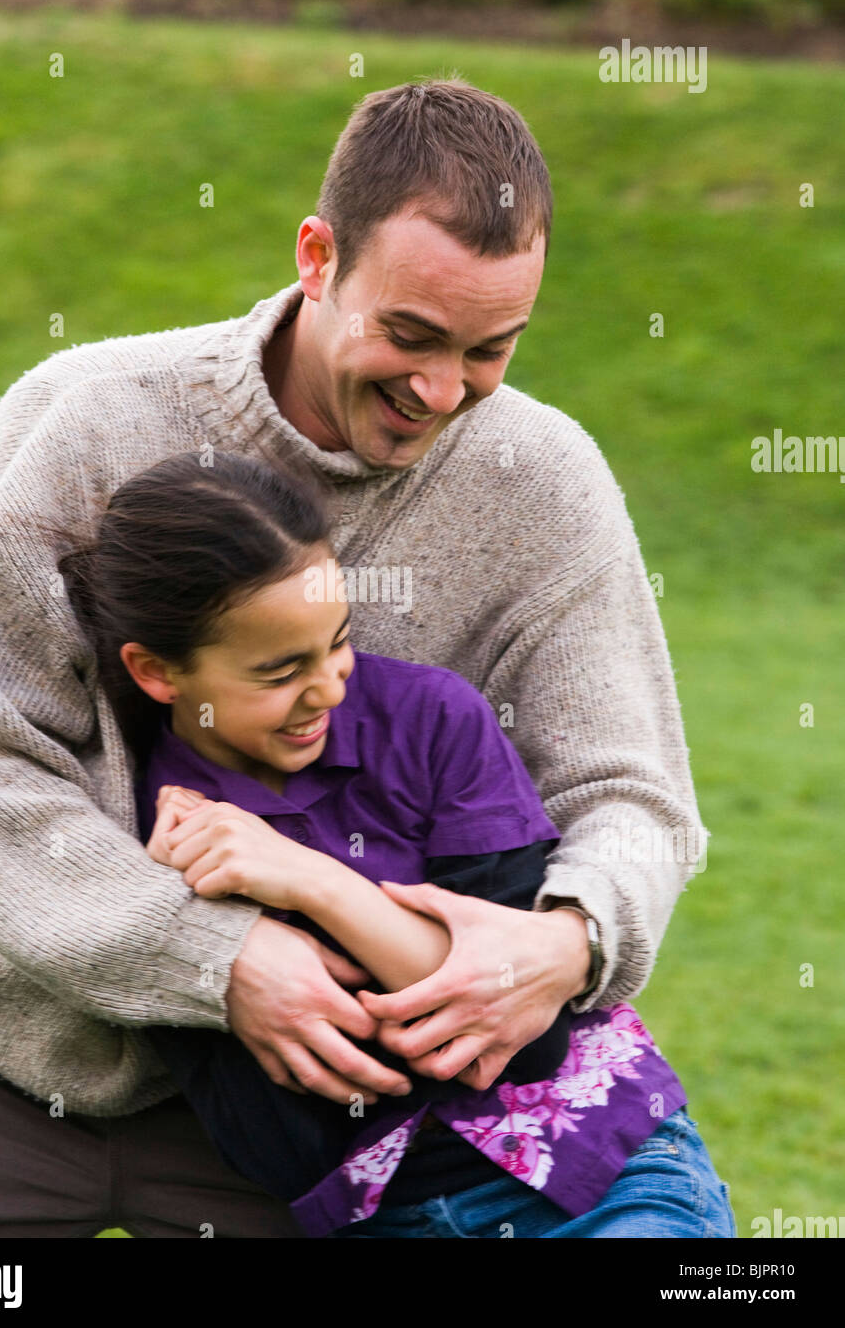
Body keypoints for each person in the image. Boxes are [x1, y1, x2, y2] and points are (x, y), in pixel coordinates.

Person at [0, 77, 717, 1237]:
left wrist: (565, 940)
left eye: (489, 350)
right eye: (409, 335)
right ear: (317, 256)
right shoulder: (84, 418)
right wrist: (214, 957)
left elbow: (630, 796)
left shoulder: (547, 484)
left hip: (313, 1133)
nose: (439, 390)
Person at [56, 447, 732, 1238]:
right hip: (379, 1216)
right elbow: (279, 1140)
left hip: (597, 1171)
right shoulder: (141, 843)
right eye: (280, 673)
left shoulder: (433, 721)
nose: (328, 688)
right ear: (158, 673)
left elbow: (528, 1030)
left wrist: (312, 883)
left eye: (337, 642)